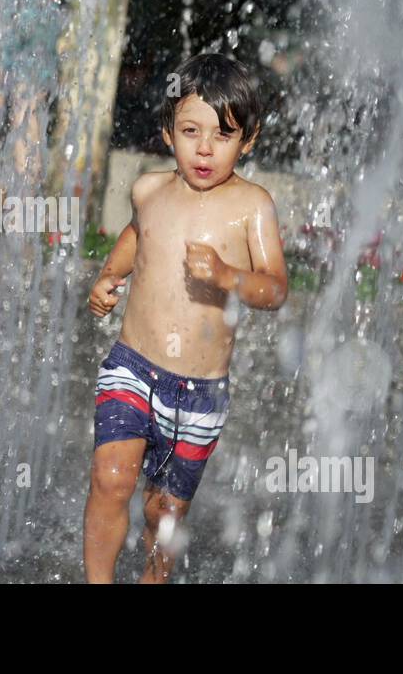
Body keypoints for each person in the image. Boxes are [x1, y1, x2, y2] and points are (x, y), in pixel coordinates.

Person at [83, 53, 288, 583]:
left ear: (248, 140)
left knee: (163, 512)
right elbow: (137, 233)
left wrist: (227, 276)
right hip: (132, 365)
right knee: (110, 479)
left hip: (198, 392)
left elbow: (274, 287)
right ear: (166, 132)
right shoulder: (149, 190)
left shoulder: (252, 207)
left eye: (222, 135)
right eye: (190, 131)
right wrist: (110, 274)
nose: (204, 147)